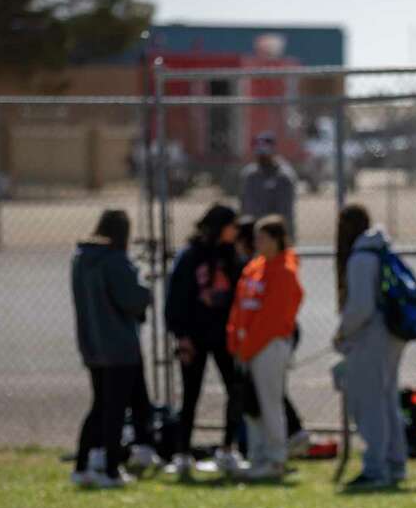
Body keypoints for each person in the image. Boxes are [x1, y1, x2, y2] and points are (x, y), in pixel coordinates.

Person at [70, 209, 153, 489]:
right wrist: (145, 284)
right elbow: (132, 299)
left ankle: (82, 466)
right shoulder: (115, 260)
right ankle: (111, 470)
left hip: (92, 345)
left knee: (99, 406)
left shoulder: (81, 259)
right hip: (119, 347)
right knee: (115, 410)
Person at [164, 203, 244, 479]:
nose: (236, 231)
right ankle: (183, 453)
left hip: (224, 336)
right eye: (232, 225)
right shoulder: (191, 256)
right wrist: (181, 335)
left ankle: (227, 449)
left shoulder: (232, 256)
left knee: (235, 390)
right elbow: (176, 298)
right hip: (195, 337)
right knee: (190, 396)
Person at [333, 204, 409, 491]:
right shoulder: (380, 248)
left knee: (371, 403)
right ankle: (394, 464)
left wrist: (342, 332)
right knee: (387, 398)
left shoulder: (361, 257)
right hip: (392, 333)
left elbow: (361, 308)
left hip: (373, 335)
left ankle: (376, 468)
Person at [227, 214, 304, 480]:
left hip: (269, 347)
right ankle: (257, 457)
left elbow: (271, 317)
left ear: (277, 239)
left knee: (270, 404)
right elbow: (239, 307)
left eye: (263, 237)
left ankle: (275, 459)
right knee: (252, 407)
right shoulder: (255, 267)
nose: (257, 242)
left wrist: (247, 346)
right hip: (247, 347)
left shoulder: (284, 271)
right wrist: (234, 341)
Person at [240, 131, 297, 240]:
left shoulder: (284, 176)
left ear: (273, 151)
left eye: (265, 153)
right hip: (253, 234)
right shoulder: (249, 175)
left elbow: (285, 213)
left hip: (276, 234)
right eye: (259, 153)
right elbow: (245, 207)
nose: (261, 156)